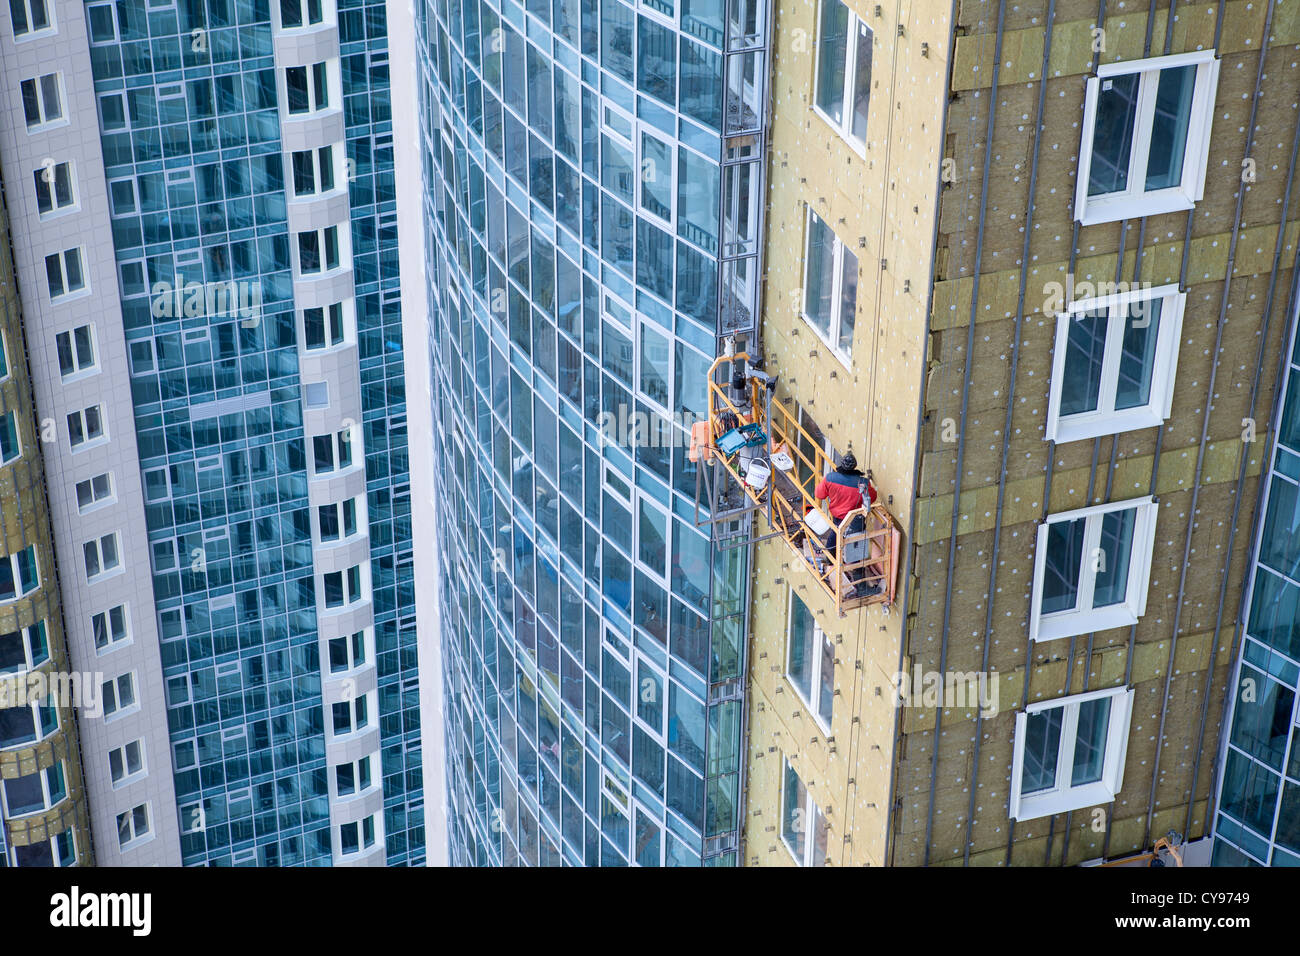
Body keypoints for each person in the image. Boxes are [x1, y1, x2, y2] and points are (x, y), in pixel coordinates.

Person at [813, 452, 880, 597]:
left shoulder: (830, 478)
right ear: (854, 466)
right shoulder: (862, 483)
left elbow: (819, 494)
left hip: (838, 518)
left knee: (835, 535)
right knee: (855, 552)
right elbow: (872, 498)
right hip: (854, 521)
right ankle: (861, 588)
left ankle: (829, 559)